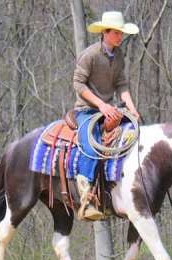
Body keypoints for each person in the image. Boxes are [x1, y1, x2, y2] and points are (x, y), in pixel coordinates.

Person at [72, 11, 141, 221]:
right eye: (117, 33)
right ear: (106, 32)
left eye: (122, 33)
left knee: (131, 135)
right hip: (87, 110)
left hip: (109, 109)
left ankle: (119, 193)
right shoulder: (90, 55)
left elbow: (121, 84)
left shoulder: (118, 56)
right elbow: (78, 83)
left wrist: (132, 109)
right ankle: (86, 197)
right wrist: (101, 105)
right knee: (91, 143)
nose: (120, 37)